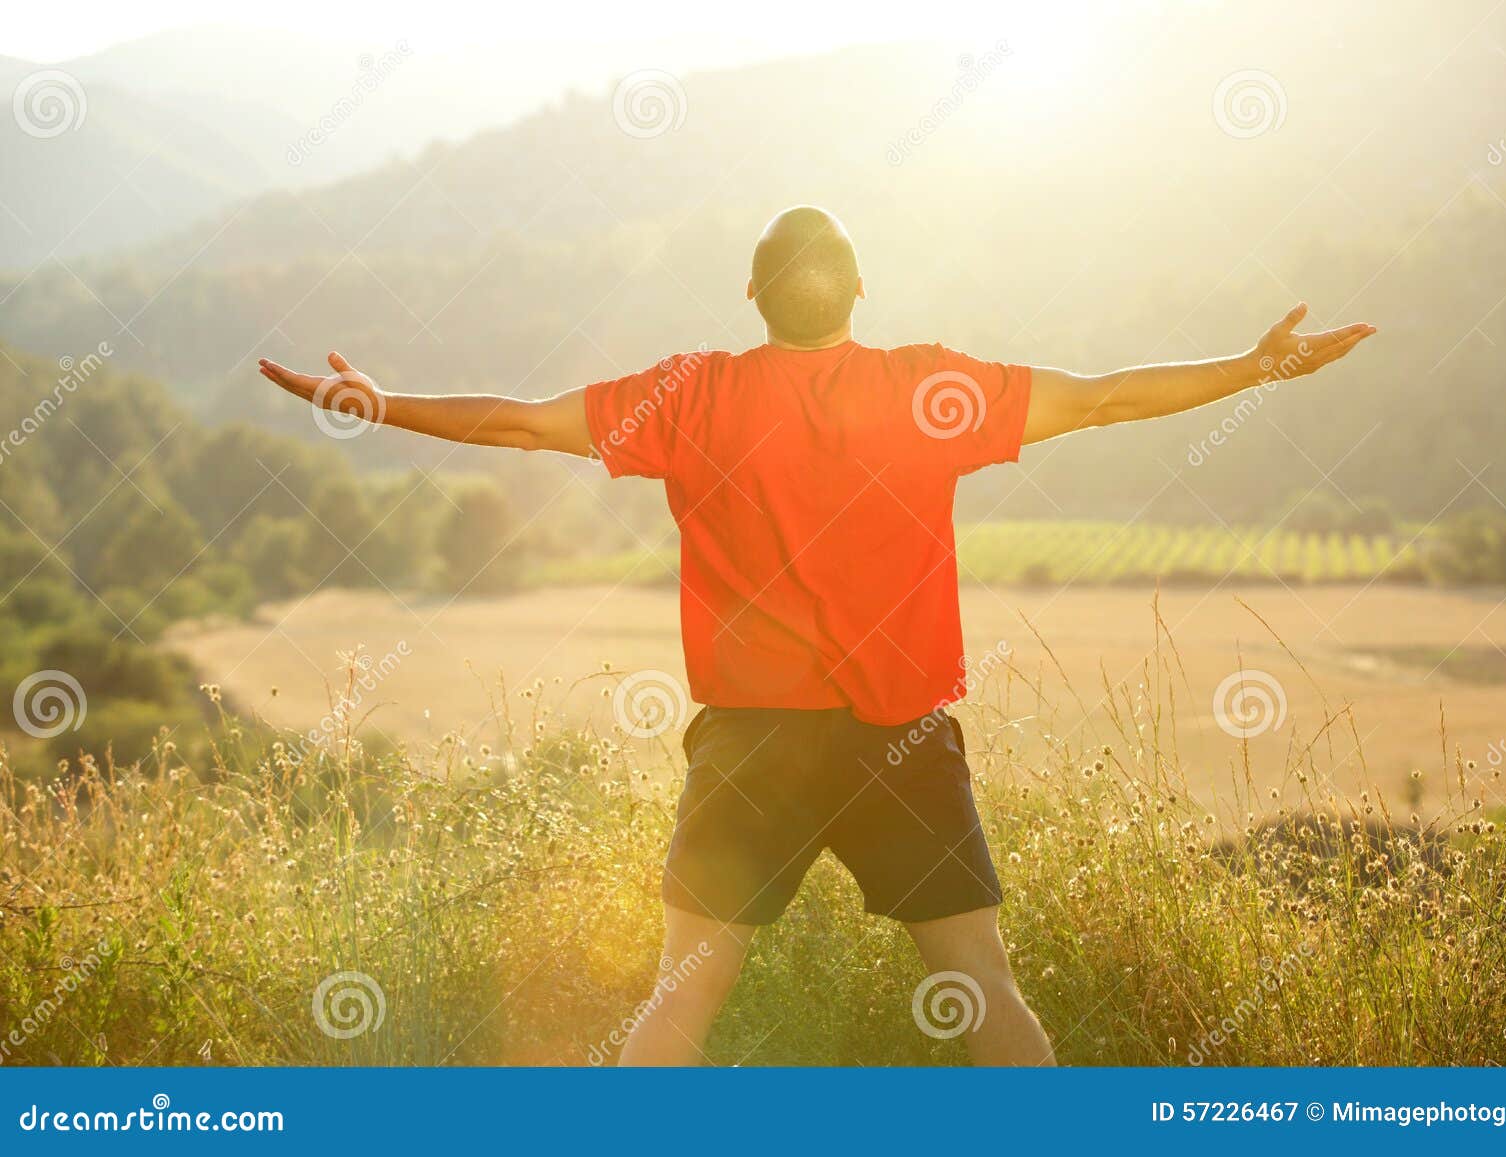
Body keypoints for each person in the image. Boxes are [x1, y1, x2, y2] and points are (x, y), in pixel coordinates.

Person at [259, 204, 1375, 1066]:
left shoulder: (689, 395)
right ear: (858, 291)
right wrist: (1252, 366)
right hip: (900, 736)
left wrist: (379, 403)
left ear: (753, 297)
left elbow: (514, 423)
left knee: (680, 999)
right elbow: (1102, 400)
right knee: (988, 991)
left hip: (750, 741)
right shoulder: (924, 387)